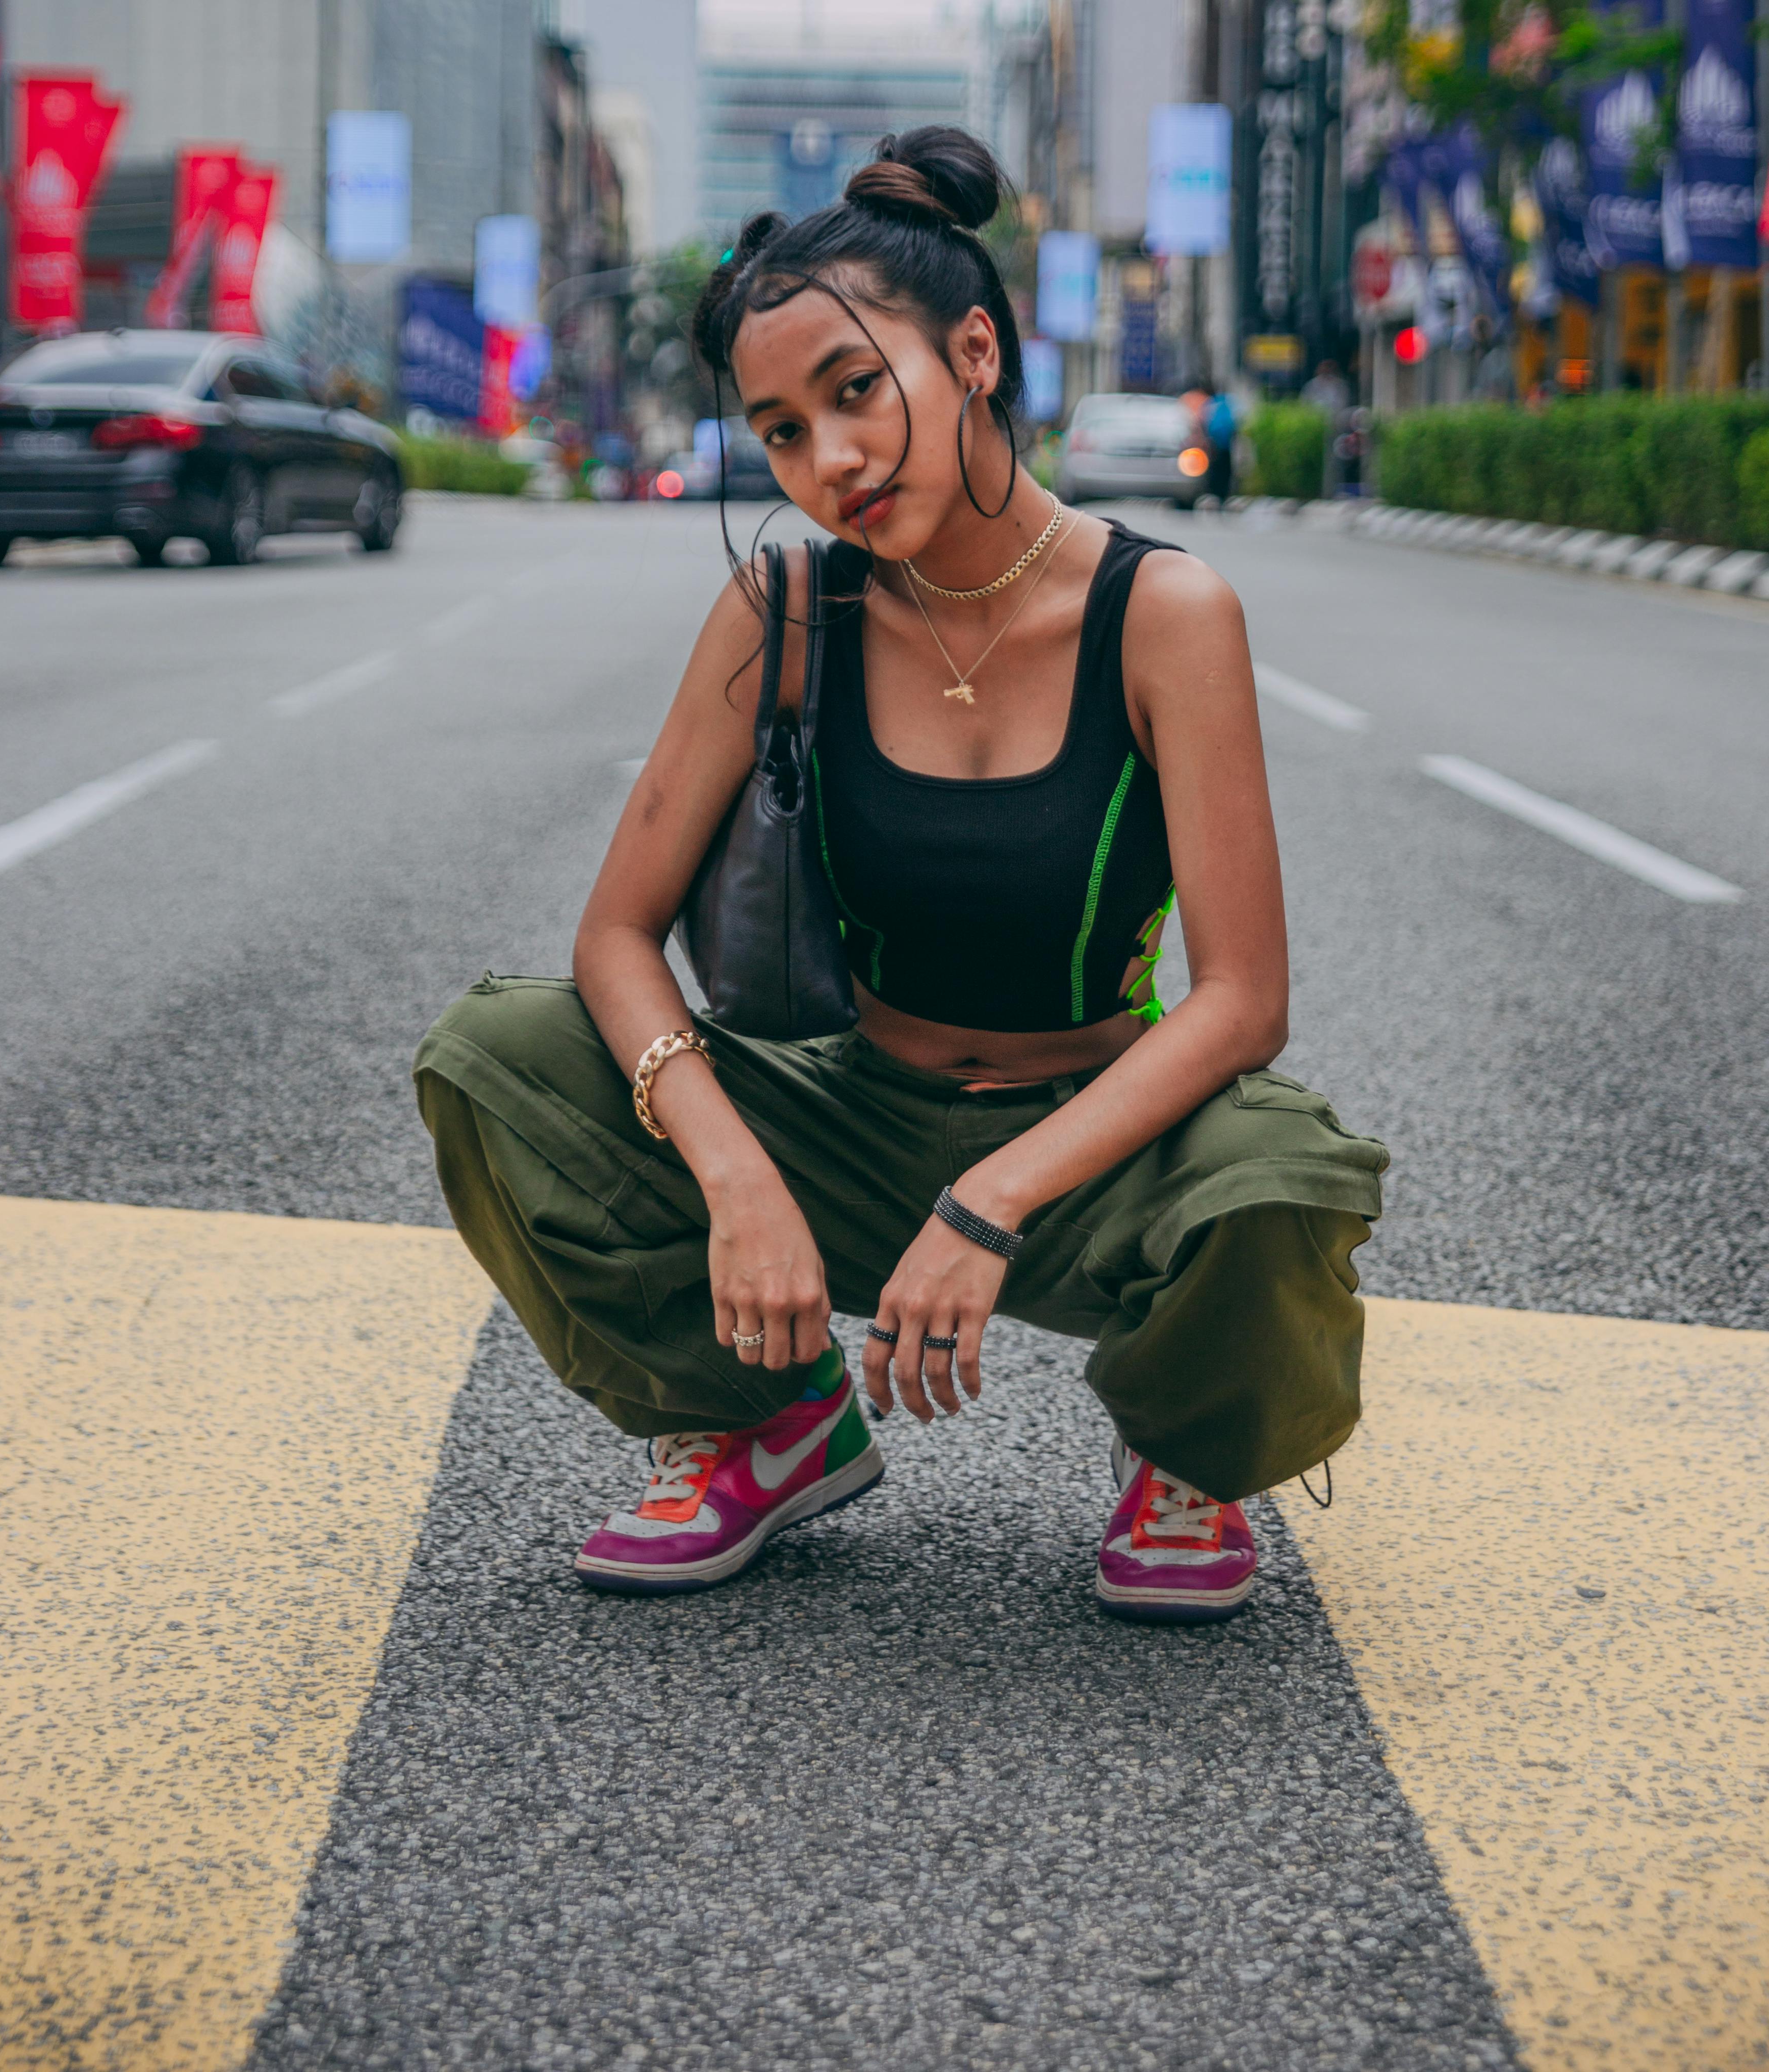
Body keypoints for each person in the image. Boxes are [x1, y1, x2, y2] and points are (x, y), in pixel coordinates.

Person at [414, 127, 1385, 1621]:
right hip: (849, 1123)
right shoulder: (785, 605)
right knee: (497, 1057)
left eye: (858, 392)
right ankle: (772, 1419)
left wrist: (993, 1200)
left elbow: (1243, 1002)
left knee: (1279, 1175)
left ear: (975, 352)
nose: (831, 463)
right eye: (783, 432)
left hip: (1095, 1153)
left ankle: (1185, 1454)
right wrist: (738, 1179)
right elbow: (616, 937)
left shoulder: (1165, 613)